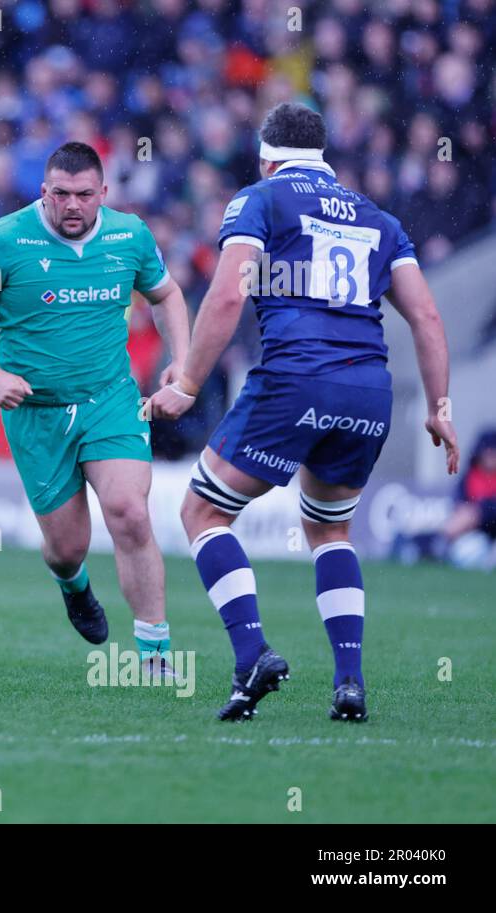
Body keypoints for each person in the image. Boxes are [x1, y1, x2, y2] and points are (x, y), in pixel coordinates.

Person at [150, 102, 459, 722]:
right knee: (330, 530)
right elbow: (425, 316)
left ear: (267, 155)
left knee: (203, 511)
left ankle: (252, 653)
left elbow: (231, 290)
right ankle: (349, 683)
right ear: (324, 156)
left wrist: (187, 381)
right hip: (369, 389)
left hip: (296, 379)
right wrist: (440, 407)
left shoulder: (261, 199)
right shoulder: (379, 218)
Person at [0, 142, 191, 673]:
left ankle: (154, 655)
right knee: (67, 547)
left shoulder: (128, 235)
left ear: (103, 194)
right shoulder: (3, 240)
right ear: (44, 192)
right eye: (60, 194)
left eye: (84, 195)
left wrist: (183, 363)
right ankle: (73, 584)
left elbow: (167, 295)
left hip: (111, 400)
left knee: (130, 513)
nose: (72, 205)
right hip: (36, 413)